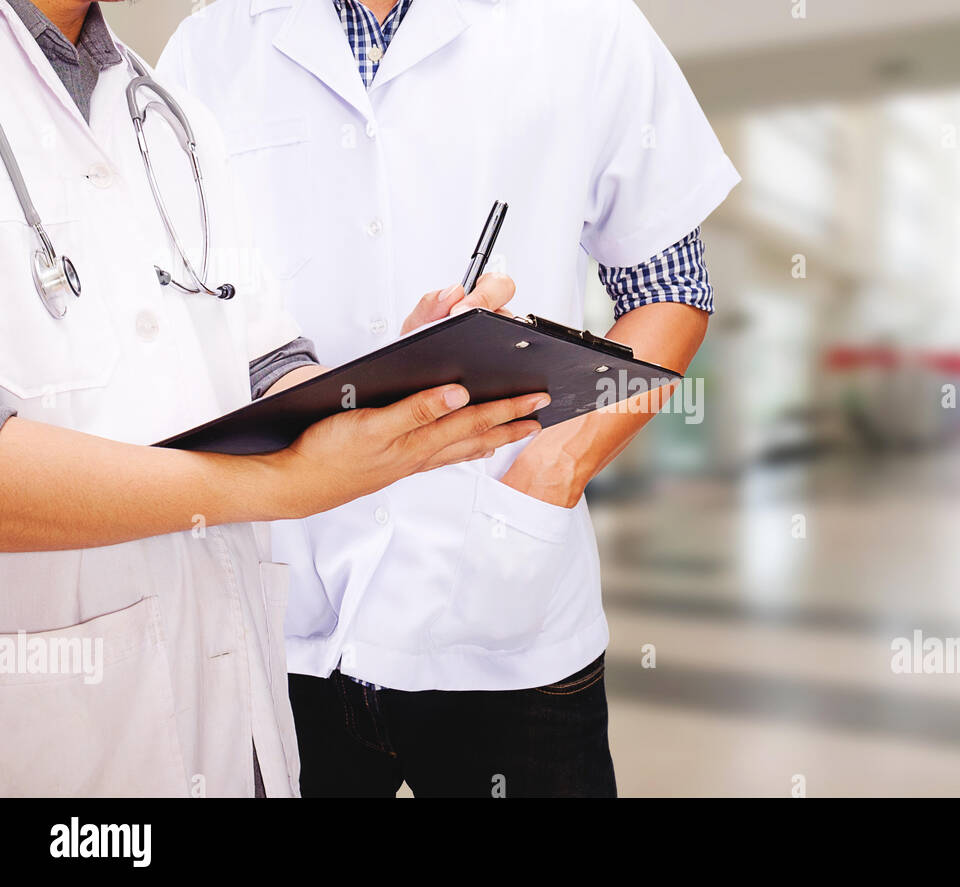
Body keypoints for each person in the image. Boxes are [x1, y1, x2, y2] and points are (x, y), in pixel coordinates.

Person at [160, 0, 740, 797]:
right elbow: (181, 306)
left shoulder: (588, 25)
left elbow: (671, 289)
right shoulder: (213, 40)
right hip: (283, 610)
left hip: (509, 611)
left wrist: (554, 468)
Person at [0, 0, 544, 797]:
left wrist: (391, 384)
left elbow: (262, 354)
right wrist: (280, 488)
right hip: (61, 733)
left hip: (236, 717)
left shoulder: (168, 114)